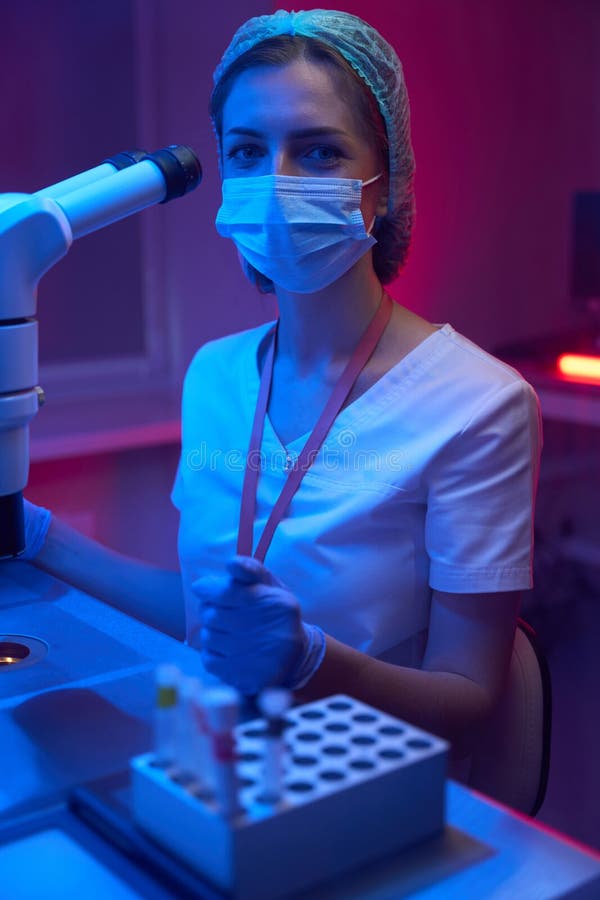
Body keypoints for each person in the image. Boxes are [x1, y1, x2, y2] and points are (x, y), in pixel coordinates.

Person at [15, 9, 542, 768]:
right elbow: (204, 615)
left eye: (319, 151)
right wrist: (38, 537)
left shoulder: (478, 405)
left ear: (386, 185)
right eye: (248, 152)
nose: (277, 184)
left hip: (371, 784)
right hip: (221, 763)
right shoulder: (216, 374)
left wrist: (310, 660)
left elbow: (469, 698)